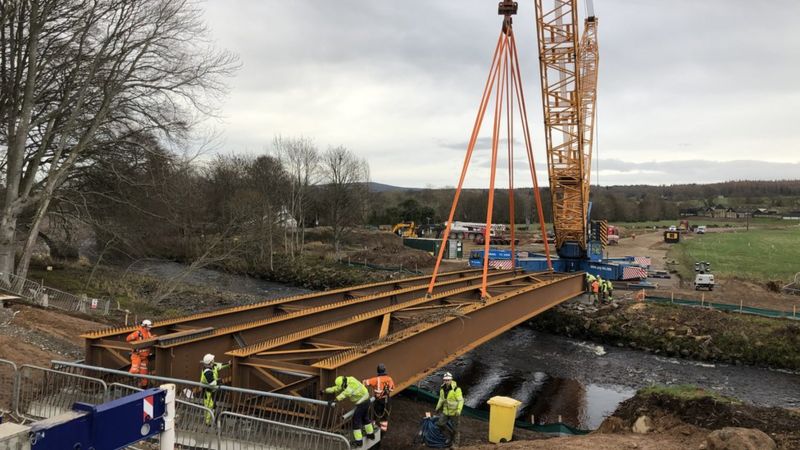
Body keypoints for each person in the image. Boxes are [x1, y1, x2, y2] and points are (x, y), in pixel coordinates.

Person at [323, 375, 374, 447]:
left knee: (356, 420)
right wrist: (325, 391)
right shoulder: (348, 380)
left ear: (343, 382)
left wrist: (334, 400)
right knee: (365, 417)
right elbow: (337, 388)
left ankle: (359, 441)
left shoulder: (351, 385)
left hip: (362, 403)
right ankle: (370, 434)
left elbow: (344, 394)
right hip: (366, 400)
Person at [362, 363, 395, 434]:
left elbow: (365, 382)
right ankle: (382, 433)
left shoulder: (376, 380)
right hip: (387, 400)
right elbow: (392, 389)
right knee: (385, 417)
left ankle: (371, 430)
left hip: (378, 400)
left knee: (373, 415)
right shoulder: (390, 379)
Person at [435, 372, 463, 448]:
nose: (446, 381)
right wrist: (437, 407)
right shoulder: (442, 389)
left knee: (456, 429)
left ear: (451, 380)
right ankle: (449, 436)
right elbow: (441, 399)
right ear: (443, 380)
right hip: (445, 411)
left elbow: (461, 401)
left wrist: (459, 410)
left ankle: (455, 444)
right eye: (445, 380)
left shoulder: (456, 389)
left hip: (454, 412)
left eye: (448, 380)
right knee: (440, 424)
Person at [200, 353, 230, 425]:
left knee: (212, 405)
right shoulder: (207, 372)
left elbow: (220, 366)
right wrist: (219, 381)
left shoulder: (213, 366)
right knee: (209, 406)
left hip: (212, 390)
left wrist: (228, 364)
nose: (214, 360)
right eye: (213, 360)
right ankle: (208, 423)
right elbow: (212, 383)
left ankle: (211, 420)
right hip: (208, 391)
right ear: (210, 362)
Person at [126, 319, 156, 387]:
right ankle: (130, 386)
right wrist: (135, 341)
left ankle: (143, 387)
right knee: (134, 371)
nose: (150, 327)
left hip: (144, 358)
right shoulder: (138, 333)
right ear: (144, 326)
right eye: (149, 326)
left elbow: (147, 339)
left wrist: (151, 338)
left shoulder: (148, 333)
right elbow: (128, 339)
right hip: (137, 356)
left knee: (144, 374)